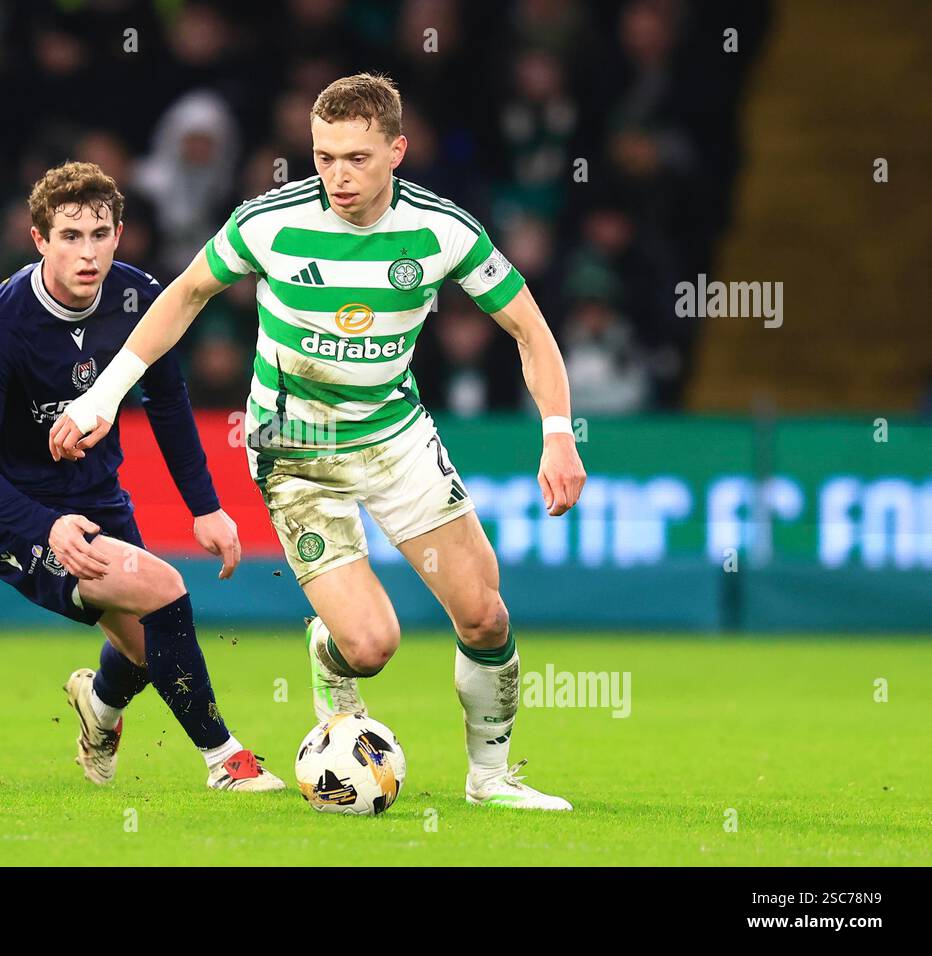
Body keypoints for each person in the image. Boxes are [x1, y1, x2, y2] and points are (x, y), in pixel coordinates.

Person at [50, 75, 587, 810]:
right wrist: (104, 395)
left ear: (397, 151)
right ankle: (330, 647)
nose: (338, 174)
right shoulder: (269, 221)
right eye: (324, 155)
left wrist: (558, 435)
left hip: (395, 438)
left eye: (358, 158)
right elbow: (184, 296)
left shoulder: (444, 229)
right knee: (371, 647)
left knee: (485, 616)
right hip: (294, 450)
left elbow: (530, 330)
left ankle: (491, 777)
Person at [0, 161, 283, 793]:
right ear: (39, 239)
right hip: (17, 521)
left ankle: (98, 709)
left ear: (119, 235)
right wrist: (46, 526)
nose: (87, 252)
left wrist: (205, 507)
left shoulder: (137, 298)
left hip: (100, 501)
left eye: (99, 234)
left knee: (143, 652)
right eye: (69, 236)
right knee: (163, 589)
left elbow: (168, 404)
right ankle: (226, 761)